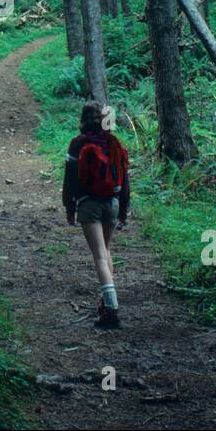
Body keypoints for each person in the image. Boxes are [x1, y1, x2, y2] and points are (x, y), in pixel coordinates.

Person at [62, 101, 130, 330]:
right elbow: (125, 177)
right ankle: (105, 303)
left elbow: (69, 180)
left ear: (82, 120)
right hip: (112, 202)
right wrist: (123, 209)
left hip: (88, 204)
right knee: (106, 251)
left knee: (99, 256)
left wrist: (69, 208)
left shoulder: (77, 144)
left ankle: (111, 309)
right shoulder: (113, 142)